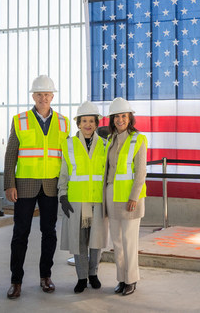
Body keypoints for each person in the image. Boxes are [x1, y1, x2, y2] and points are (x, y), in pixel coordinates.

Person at [3, 75, 70, 299]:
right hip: (24, 185)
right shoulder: (20, 120)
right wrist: (9, 184)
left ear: (52, 96)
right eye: (39, 94)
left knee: (49, 233)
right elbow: (11, 153)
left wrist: (66, 186)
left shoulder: (63, 122)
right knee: (20, 233)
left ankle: (46, 277)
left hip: (51, 185)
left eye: (47, 94)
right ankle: (16, 281)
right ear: (33, 96)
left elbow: (68, 157)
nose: (43, 97)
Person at [58, 101, 109, 294]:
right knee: (78, 242)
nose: (88, 124)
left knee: (96, 242)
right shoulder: (68, 144)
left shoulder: (105, 144)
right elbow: (64, 173)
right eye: (84, 120)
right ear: (78, 123)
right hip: (76, 201)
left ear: (96, 124)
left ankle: (93, 273)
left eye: (92, 121)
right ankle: (81, 277)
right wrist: (62, 195)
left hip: (97, 200)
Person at [103, 97, 148, 296]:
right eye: (117, 116)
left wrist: (134, 198)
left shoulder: (139, 139)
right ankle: (121, 278)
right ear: (112, 119)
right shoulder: (110, 140)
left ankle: (131, 280)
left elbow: (140, 172)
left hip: (130, 197)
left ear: (130, 118)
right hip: (112, 194)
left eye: (124, 116)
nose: (120, 119)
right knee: (117, 241)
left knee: (130, 241)